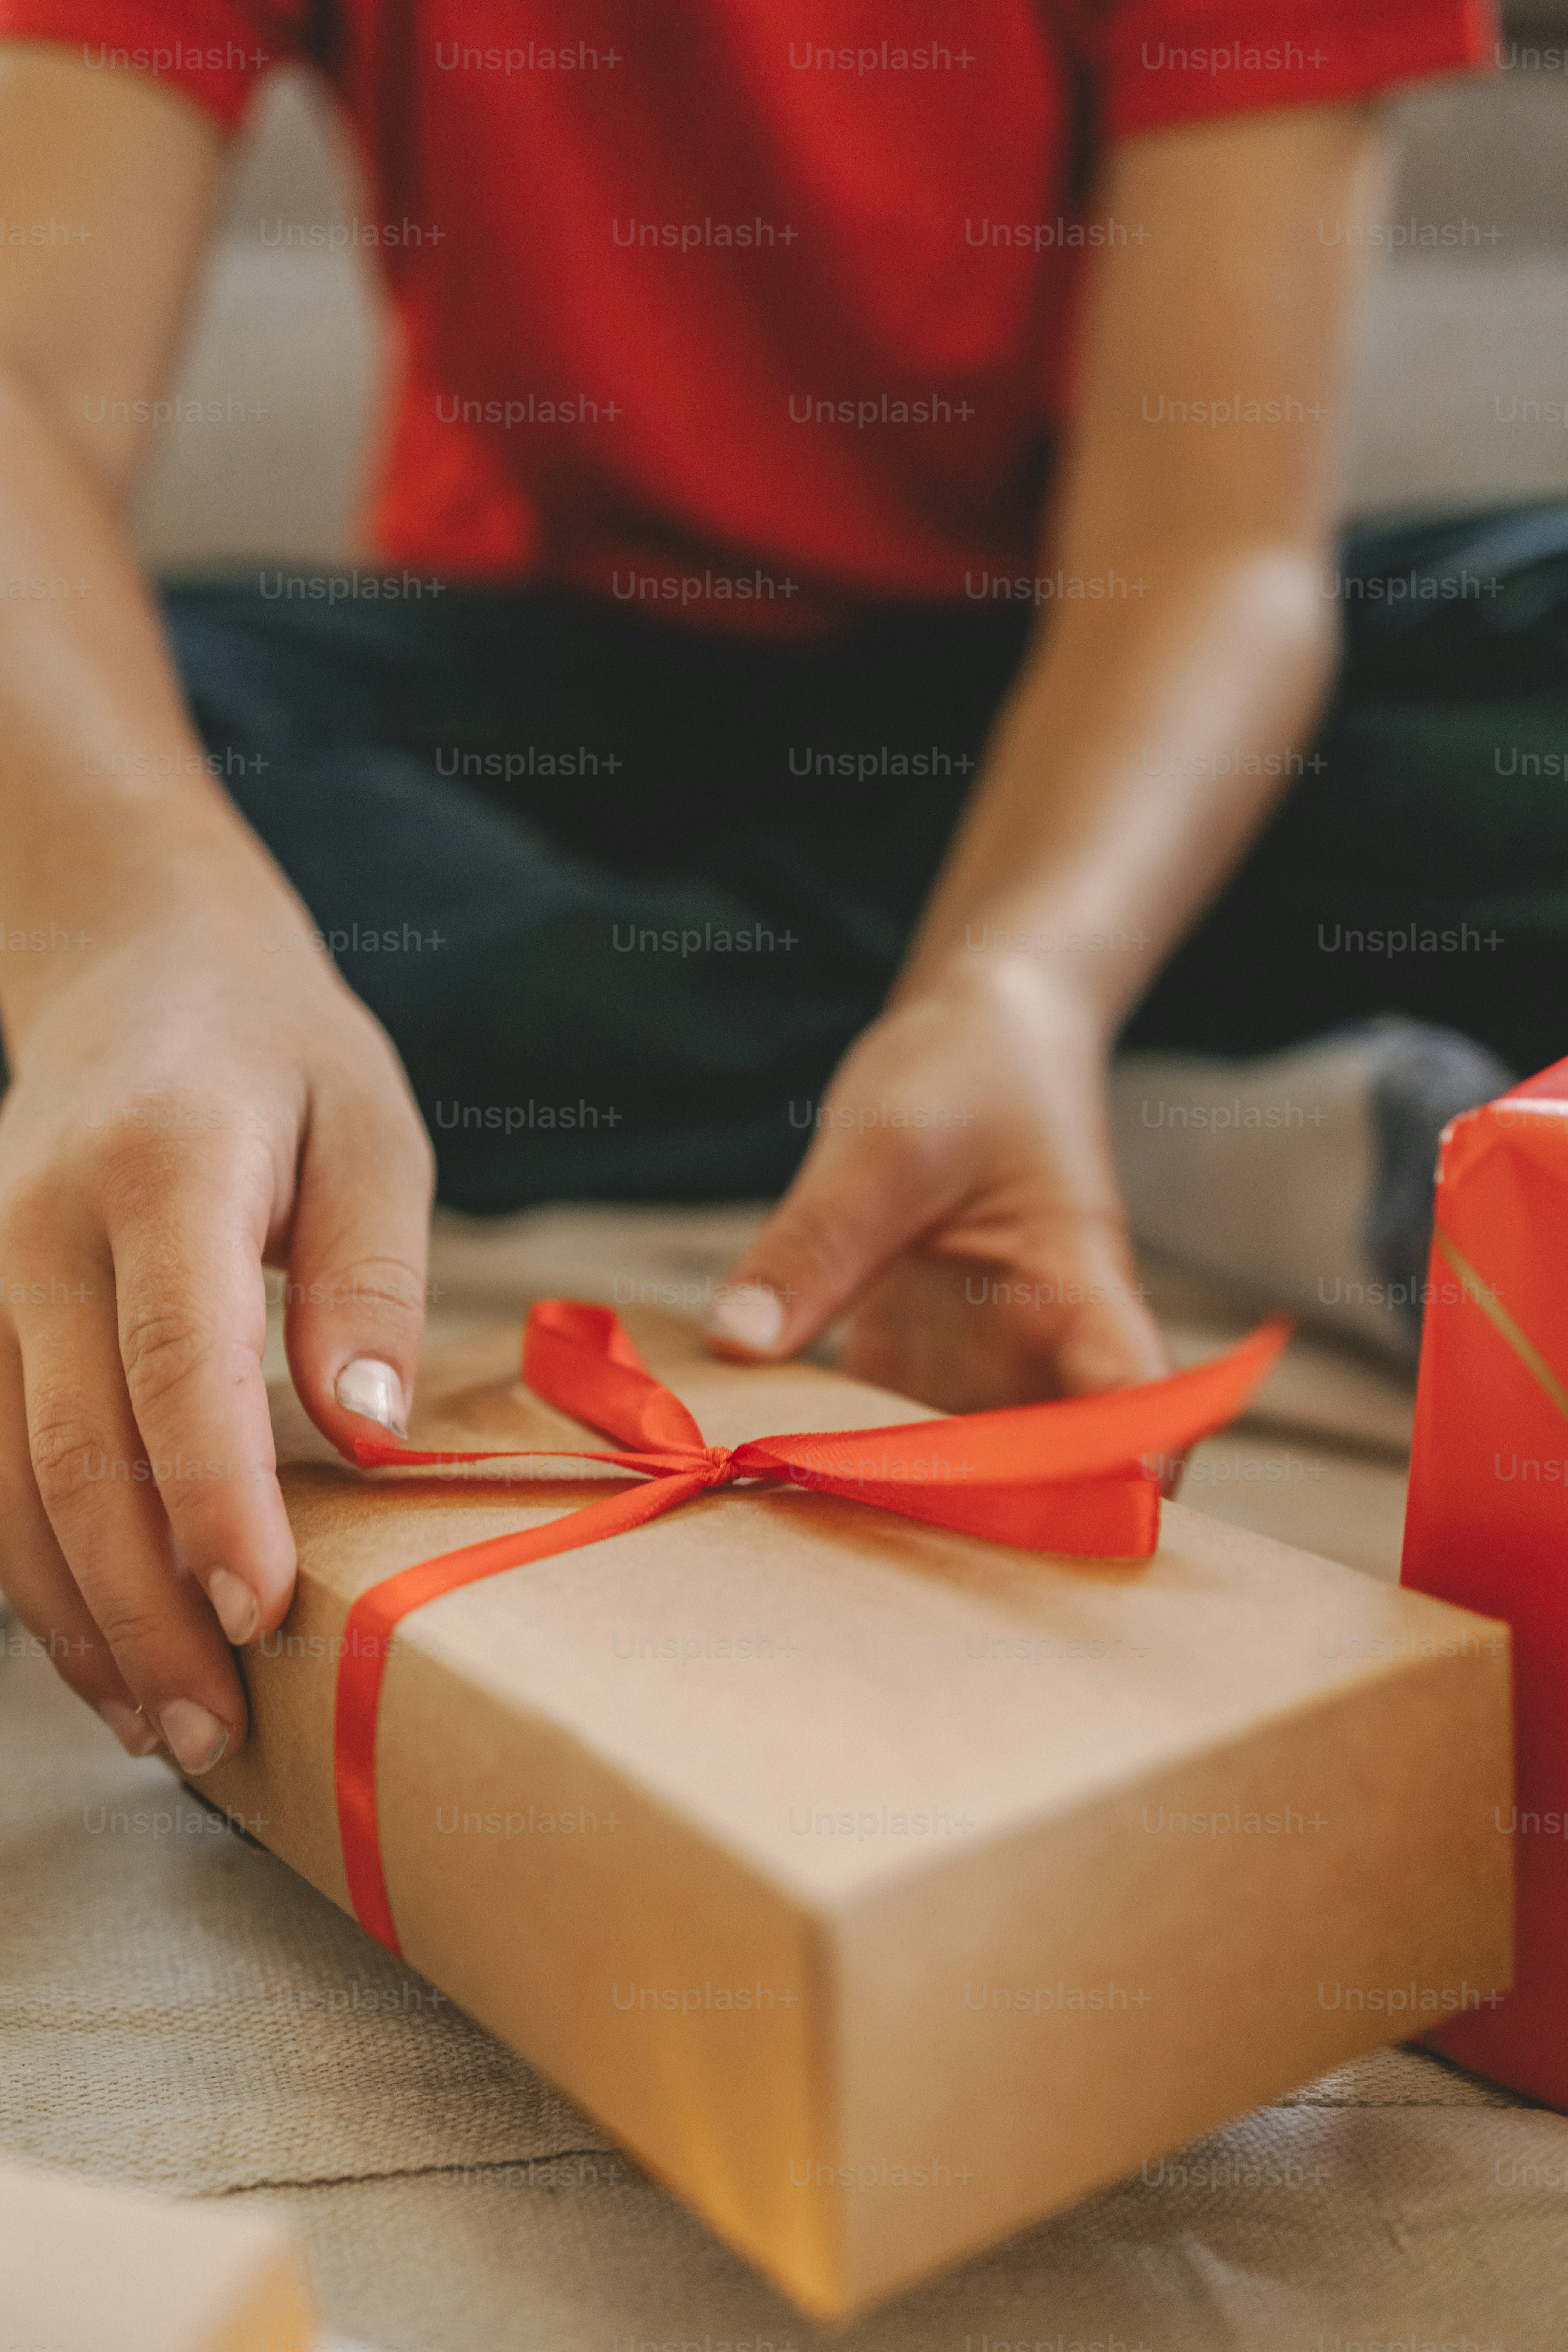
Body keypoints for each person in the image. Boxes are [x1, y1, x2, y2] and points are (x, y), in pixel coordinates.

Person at [0, 3, 1547, 1782]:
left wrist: (1022, 978)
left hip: (1073, 724)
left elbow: (1210, 550)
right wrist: (136, 920)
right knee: (79, 763)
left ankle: (1004, 1050)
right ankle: (1125, 1071)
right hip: (549, 719)